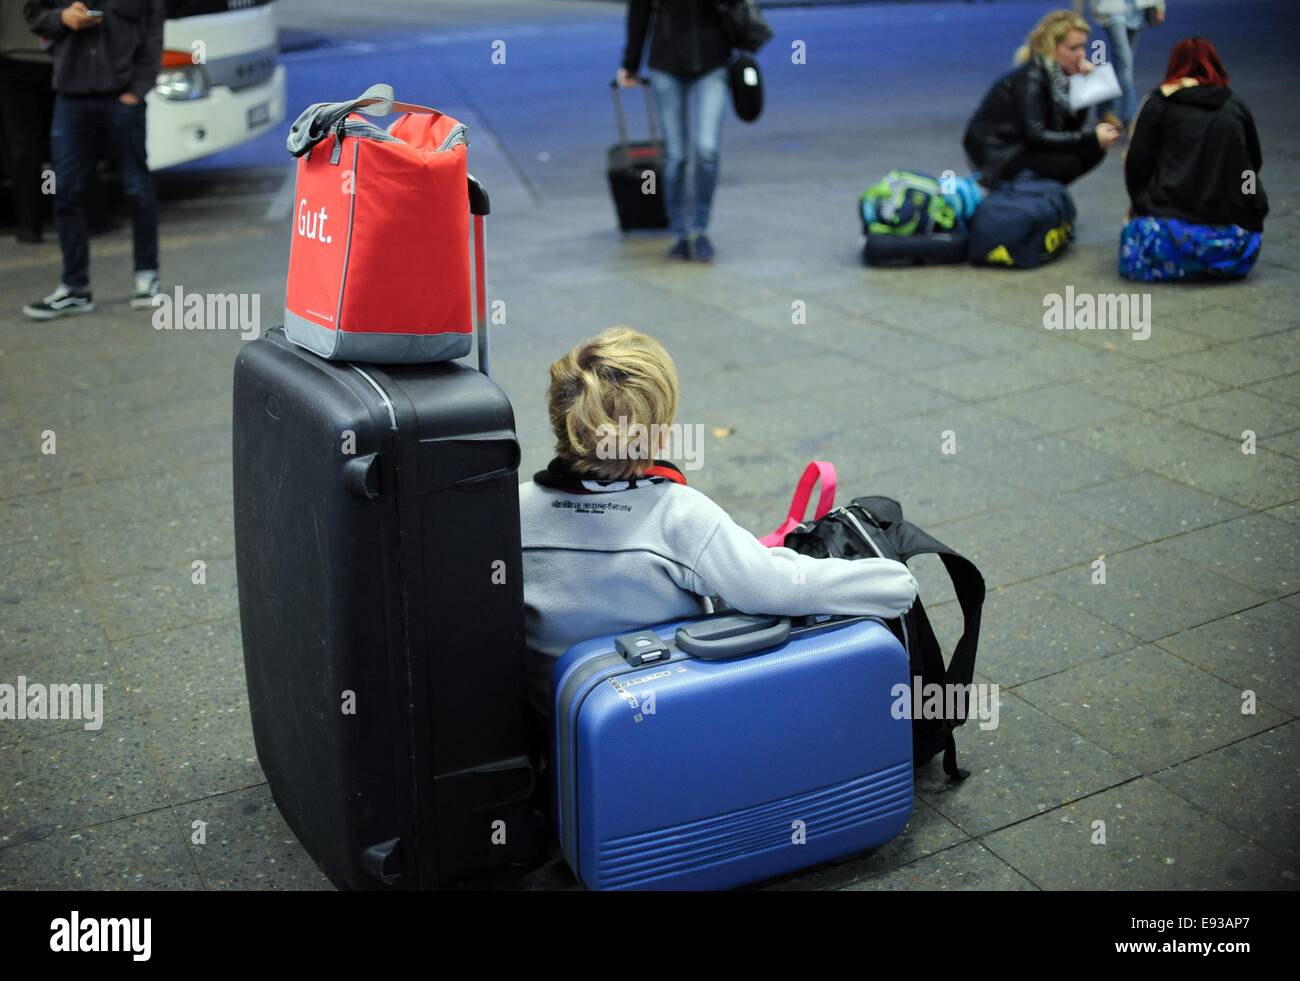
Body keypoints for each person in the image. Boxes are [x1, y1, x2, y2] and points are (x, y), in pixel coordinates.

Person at [519, 326, 920, 731]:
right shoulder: (677, 515)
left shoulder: (515, 508)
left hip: (555, 723)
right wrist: (891, 580)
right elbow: (772, 586)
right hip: (664, 715)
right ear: (659, 432)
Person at [21, 0, 163, 320]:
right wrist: (62, 17)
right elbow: (33, 16)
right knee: (65, 190)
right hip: (71, 98)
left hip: (123, 96)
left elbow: (153, 35)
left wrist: (138, 90)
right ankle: (74, 288)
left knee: (138, 187)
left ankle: (147, 278)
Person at [1120, 37, 1267, 281]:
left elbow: (1137, 165)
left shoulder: (1158, 104)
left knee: (1136, 235)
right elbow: (1252, 167)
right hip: (1233, 244)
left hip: (1165, 234)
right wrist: (1248, 204)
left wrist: (1142, 204)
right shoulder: (1235, 105)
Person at [618, 0, 731, 262]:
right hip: (666, 63)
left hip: (713, 60)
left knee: (707, 149)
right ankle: (680, 232)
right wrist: (631, 63)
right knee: (677, 155)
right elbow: (639, 10)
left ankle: (701, 229)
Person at [963, 9, 1122, 187]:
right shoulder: (1032, 77)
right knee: (1072, 159)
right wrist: (1091, 137)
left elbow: (1071, 126)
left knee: (1091, 149)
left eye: (1083, 47)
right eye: (1073, 48)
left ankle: (1042, 194)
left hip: (1022, 145)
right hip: (1000, 154)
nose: (1082, 55)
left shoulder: (1059, 76)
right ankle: (1031, 193)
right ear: (1052, 48)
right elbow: (1037, 135)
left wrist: (1082, 85)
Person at [0, 0, 53, 244]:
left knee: (24, 147)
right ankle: (65, 212)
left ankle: (30, 224)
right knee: (61, 144)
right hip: (56, 56)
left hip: (12, 57)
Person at [1075, 0, 1166, 128]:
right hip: (1110, 8)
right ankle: (1131, 118)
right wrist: (1077, 13)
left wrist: (1159, 5)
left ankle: (1104, 109)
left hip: (1136, 9)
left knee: (1122, 65)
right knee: (1125, 64)